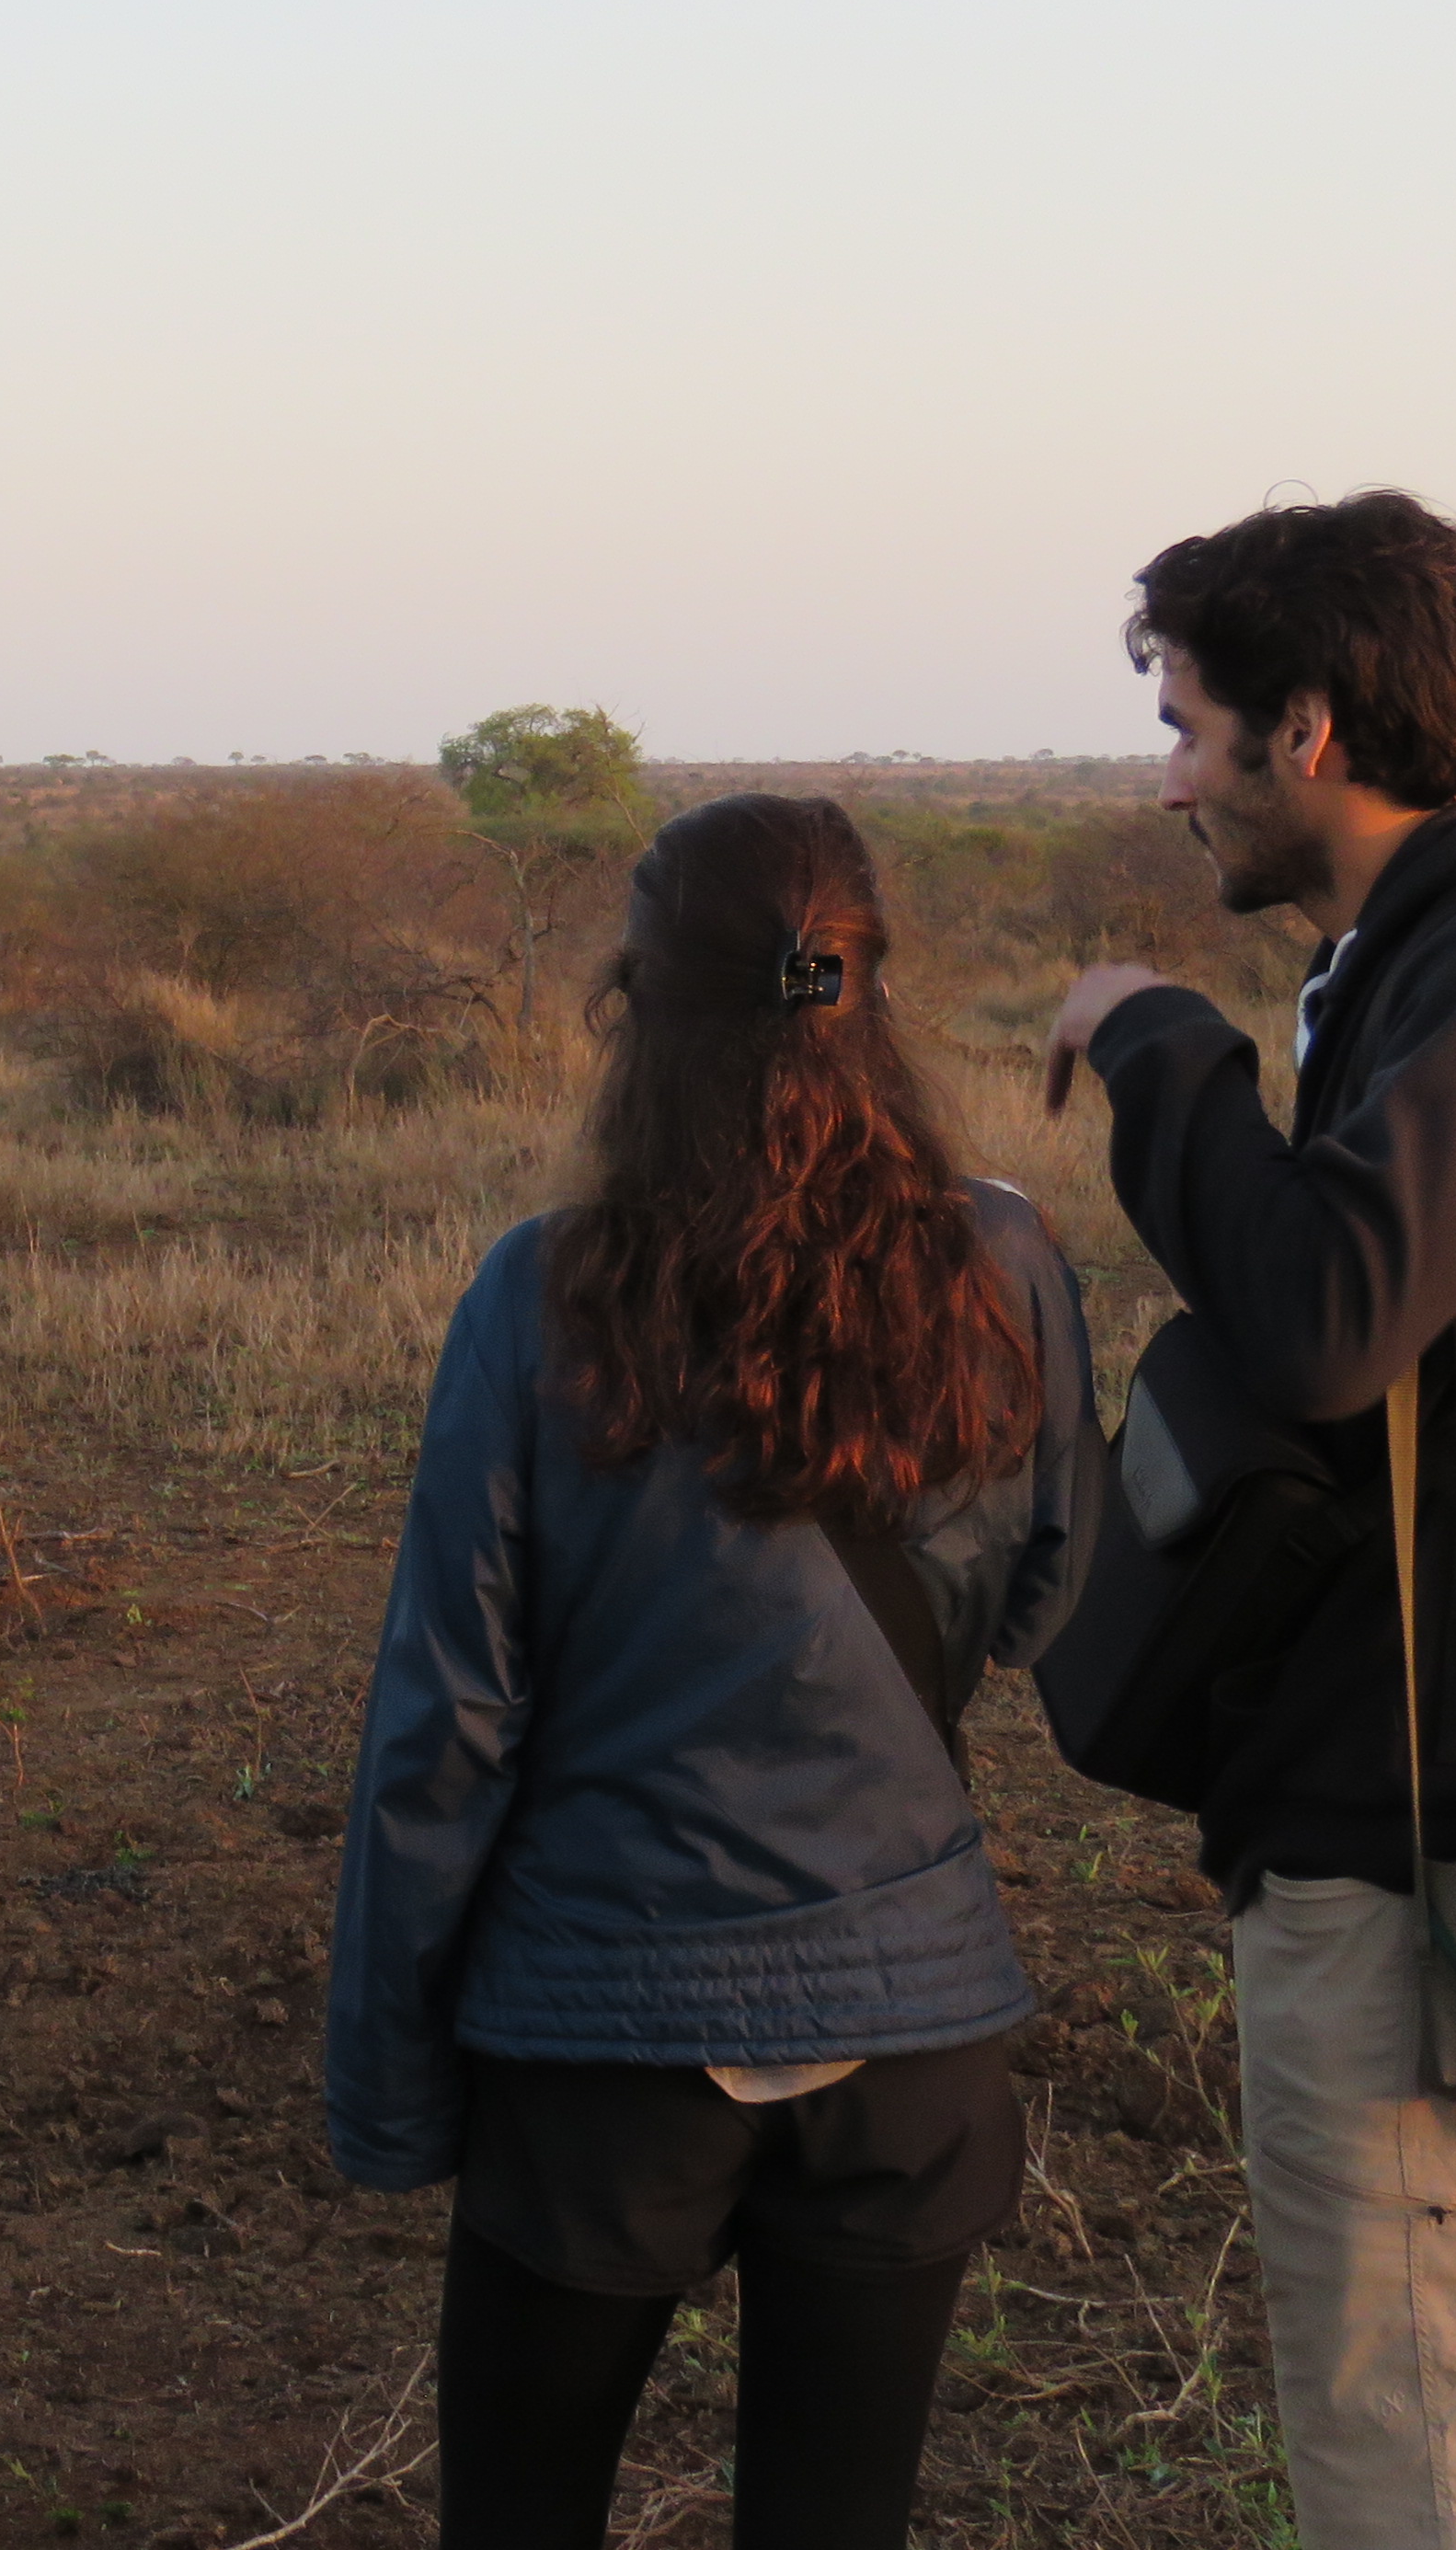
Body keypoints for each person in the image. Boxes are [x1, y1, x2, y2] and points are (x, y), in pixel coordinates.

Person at [1042, 492, 1456, 2549]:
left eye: (1188, 723)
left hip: (1455, 1813)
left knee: (1441, 2444)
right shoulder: (1446, 956)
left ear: (1306, 730)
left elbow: (1331, 1319)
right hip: (1436, 1780)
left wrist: (1159, 1051)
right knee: (1447, 2409)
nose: (1170, 777)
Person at [330, 793, 1092, 2550]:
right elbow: (1048, 1595)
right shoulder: (1009, 1260)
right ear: (870, 991)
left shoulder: (544, 1293)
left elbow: (441, 1727)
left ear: (635, 1010)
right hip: (908, 2032)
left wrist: (389, 2087)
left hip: (601, 2047)